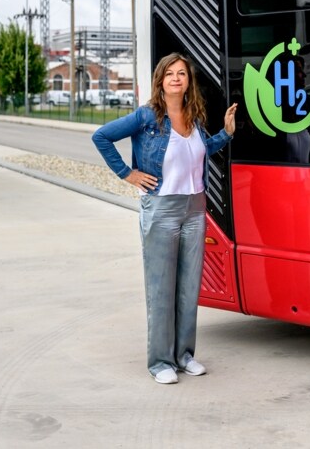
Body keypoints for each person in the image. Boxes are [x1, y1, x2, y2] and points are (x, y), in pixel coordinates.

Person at [92, 53, 237, 385]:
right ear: (160, 80)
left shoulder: (194, 116)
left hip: (195, 208)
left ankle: (184, 355)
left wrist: (226, 133)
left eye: (181, 73)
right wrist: (127, 173)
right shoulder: (147, 116)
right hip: (162, 209)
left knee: (189, 286)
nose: (175, 78)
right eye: (169, 73)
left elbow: (199, 151)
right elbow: (101, 136)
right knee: (161, 288)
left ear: (188, 81)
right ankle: (160, 362)